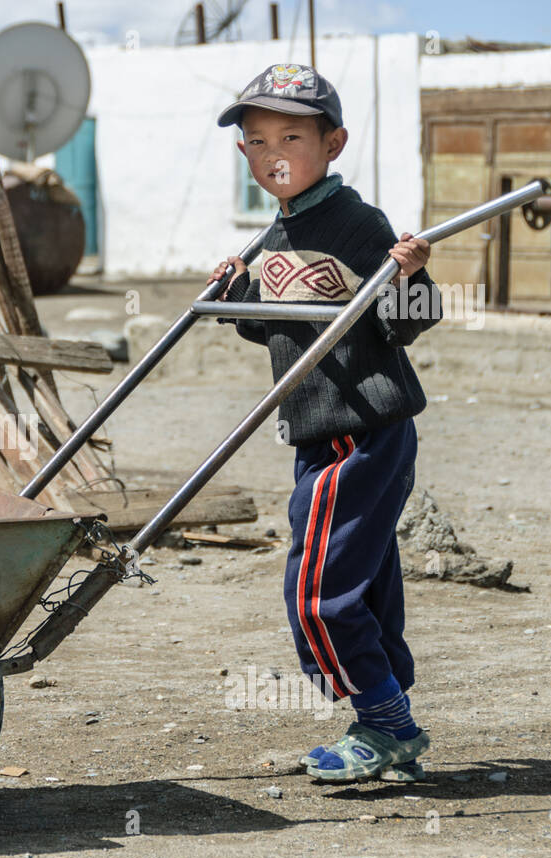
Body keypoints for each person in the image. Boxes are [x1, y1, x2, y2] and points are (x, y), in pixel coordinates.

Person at [209, 63, 442, 782]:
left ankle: (386, 723)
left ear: (333, 143)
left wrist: (408, 278)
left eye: (290, 136)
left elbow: (411, 323)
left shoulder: (355, 223)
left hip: (364, 427)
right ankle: (385, 709)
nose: (270, 153)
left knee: (318, 590)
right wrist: (238, 294)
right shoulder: (274, 234)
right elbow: (278, 333)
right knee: (364, 579)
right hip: (319, 430)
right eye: (255, 141)